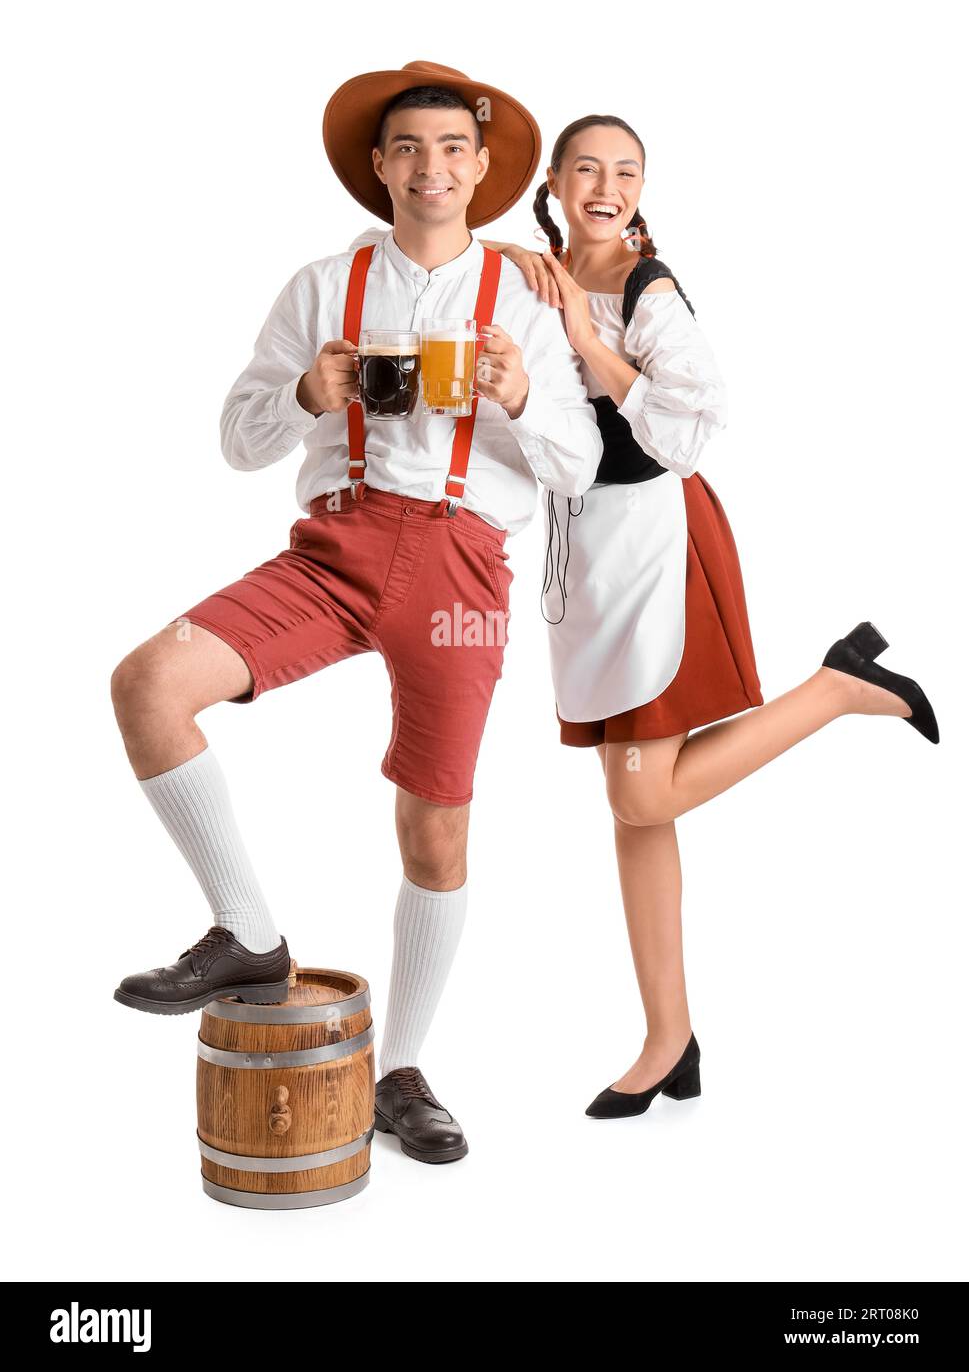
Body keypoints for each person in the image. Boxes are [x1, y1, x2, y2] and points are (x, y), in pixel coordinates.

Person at [108, 62, 602, 1164]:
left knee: (437, 825)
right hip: (333, 549)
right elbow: (237, 443)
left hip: (462, 570)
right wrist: (302, 396)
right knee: (149, 683)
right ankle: (251, 934)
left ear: (478, 167)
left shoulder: (523, 298)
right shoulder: (322, 286)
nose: (433, 168)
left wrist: (520, 394)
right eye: (410, 150)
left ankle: (403, 1070)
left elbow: (576, 467)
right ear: (379, 168)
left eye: (453, 149)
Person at [482, 113, 939, 1118]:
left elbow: (697, 418)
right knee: (633, 805)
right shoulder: (532, 271)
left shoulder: (651, 291)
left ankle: (835, 688)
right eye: (586, 169)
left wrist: (586, 340)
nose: (607, 185)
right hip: (584, 555)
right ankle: (668, 1037)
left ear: (644, 187)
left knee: (645, 796)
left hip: (655, 542)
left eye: (627, 171)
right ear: (552, 182)